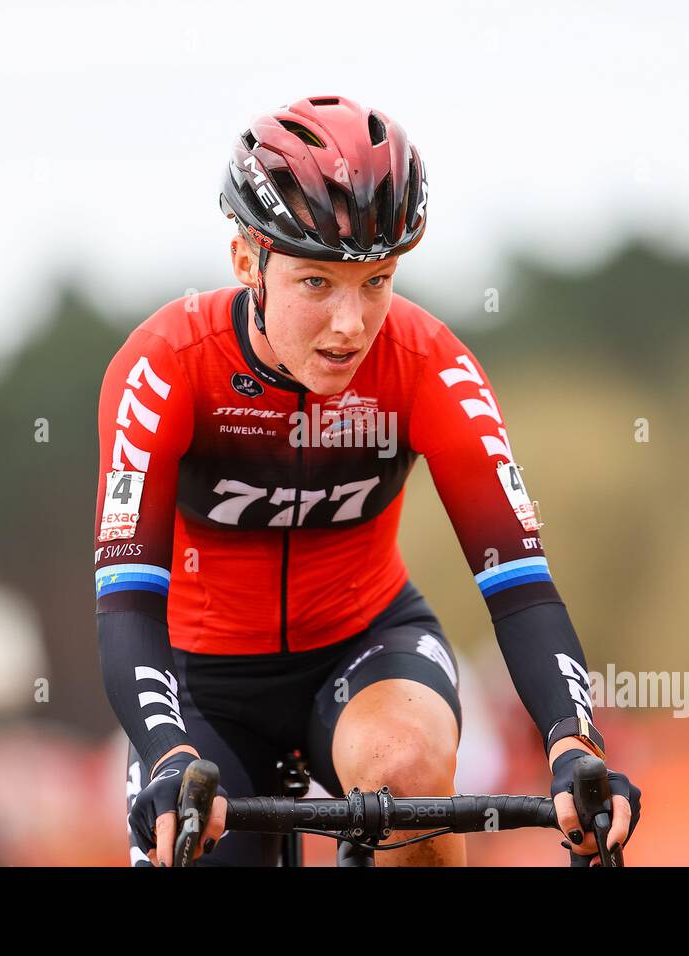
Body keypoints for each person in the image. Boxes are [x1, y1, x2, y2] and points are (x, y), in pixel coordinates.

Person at [95, 94, 641, 866]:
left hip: (364, 647)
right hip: (198, 680)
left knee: (407, 780)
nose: (352, 324)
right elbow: (126, 607)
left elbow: (520, 588)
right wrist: (166, 754)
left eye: (376, 281)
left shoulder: (427, 365)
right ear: (248, 260)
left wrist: (572, 742)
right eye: (317, 283)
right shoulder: (165, 366)